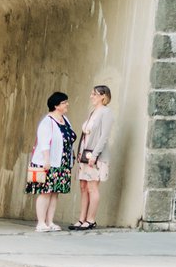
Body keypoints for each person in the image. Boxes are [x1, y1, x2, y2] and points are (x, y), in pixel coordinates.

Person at [26, 90, 75, 232]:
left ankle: (50, 221)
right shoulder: (47, 121)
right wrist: (46, 160)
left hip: (62, 162)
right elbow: (44, 142)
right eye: (64, 102)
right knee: (45, 191)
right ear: (56, 105)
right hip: (49, 162)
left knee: (55, 192)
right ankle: (41, 222)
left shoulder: (65, 120)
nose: (67, 105)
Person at [71, 85, 113, 231]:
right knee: (83, 186)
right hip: (85, 153)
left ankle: (91, 219)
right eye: (91, 94)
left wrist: (95, 155)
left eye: (94, 94)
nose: (91, 96)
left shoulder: (106, 112)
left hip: (95, 155)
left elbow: (104, 136)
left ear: (103, 96)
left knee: (92, 186)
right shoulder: (93, 112)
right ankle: (82, 218)